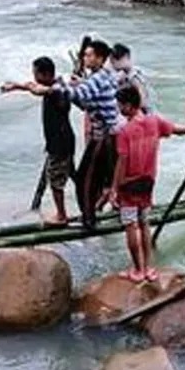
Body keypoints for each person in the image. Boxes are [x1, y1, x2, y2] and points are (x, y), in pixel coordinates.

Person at [109, 86, 185, 282]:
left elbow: (122, 161)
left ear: (128, 105)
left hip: (129, 182)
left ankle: (137, 270)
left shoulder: (124, 131)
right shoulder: (154, 122)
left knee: (130, 225)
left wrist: (114, 188)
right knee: (145, 224)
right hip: (148, 181)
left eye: (120, 106)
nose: (119, 109)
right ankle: (149, 268)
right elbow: (181, 130)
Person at [0, 57, 74, 225]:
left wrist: (29, 88)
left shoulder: (57, 89)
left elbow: (39, 90)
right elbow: (33, 86)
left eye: (36, 74)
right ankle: (88, 207)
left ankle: (62, 216)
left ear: (46, 74)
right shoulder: (53, 84)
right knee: (69, 175)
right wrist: (15, 87)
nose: (34, 78)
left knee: (56, 181)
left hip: (60, 144)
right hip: (59, 142)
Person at [67, 39, 120, 229]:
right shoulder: (104, 76)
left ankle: (89, 220)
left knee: (86, 180)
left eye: (89, 55)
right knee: (96, 179)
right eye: (85, 55)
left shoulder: (98, 78)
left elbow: (78, 96)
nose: (85, 58)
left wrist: (54, 88)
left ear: (99, 58)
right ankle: (93, 214)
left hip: (104, 137)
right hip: (108, 136)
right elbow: (87, 104)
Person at [111, 43, 155, 113]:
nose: (113, 64)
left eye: (115, 61)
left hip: (143, 113)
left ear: (125, 57)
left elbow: (142, 102)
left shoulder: (134, 77)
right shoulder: (124, 74)